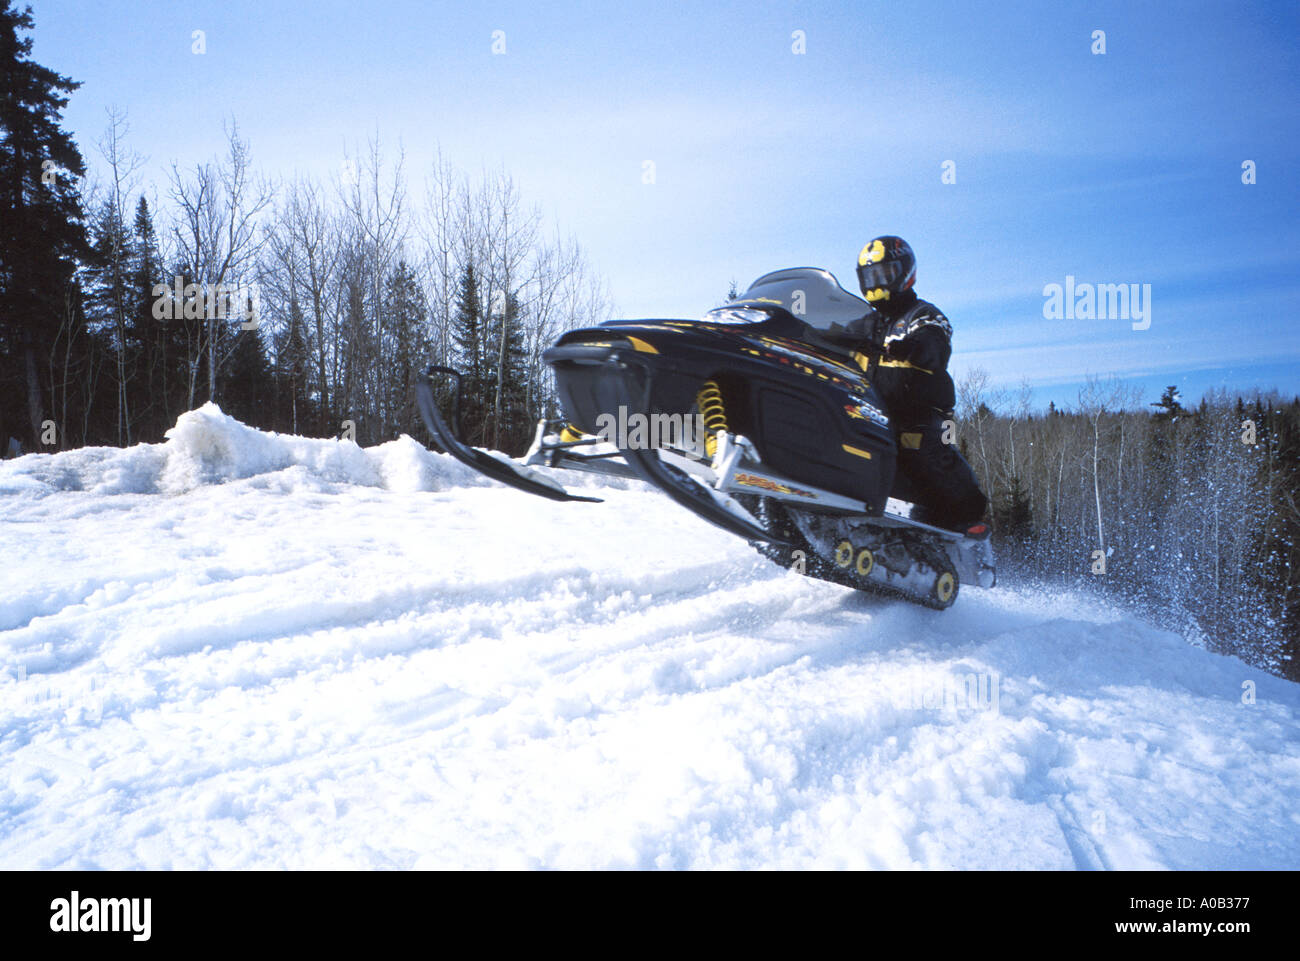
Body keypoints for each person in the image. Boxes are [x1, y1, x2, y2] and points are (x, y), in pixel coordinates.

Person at [855, 235, 989, 531]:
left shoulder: (924, 314)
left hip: (916, 415)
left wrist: (913, 346)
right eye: (871, 276)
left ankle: (963, 517)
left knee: (920, 447)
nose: (877, 283)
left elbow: (935, 341)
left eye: (884, 274)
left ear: (904, 272)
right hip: (867, 411)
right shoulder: (863, 323)